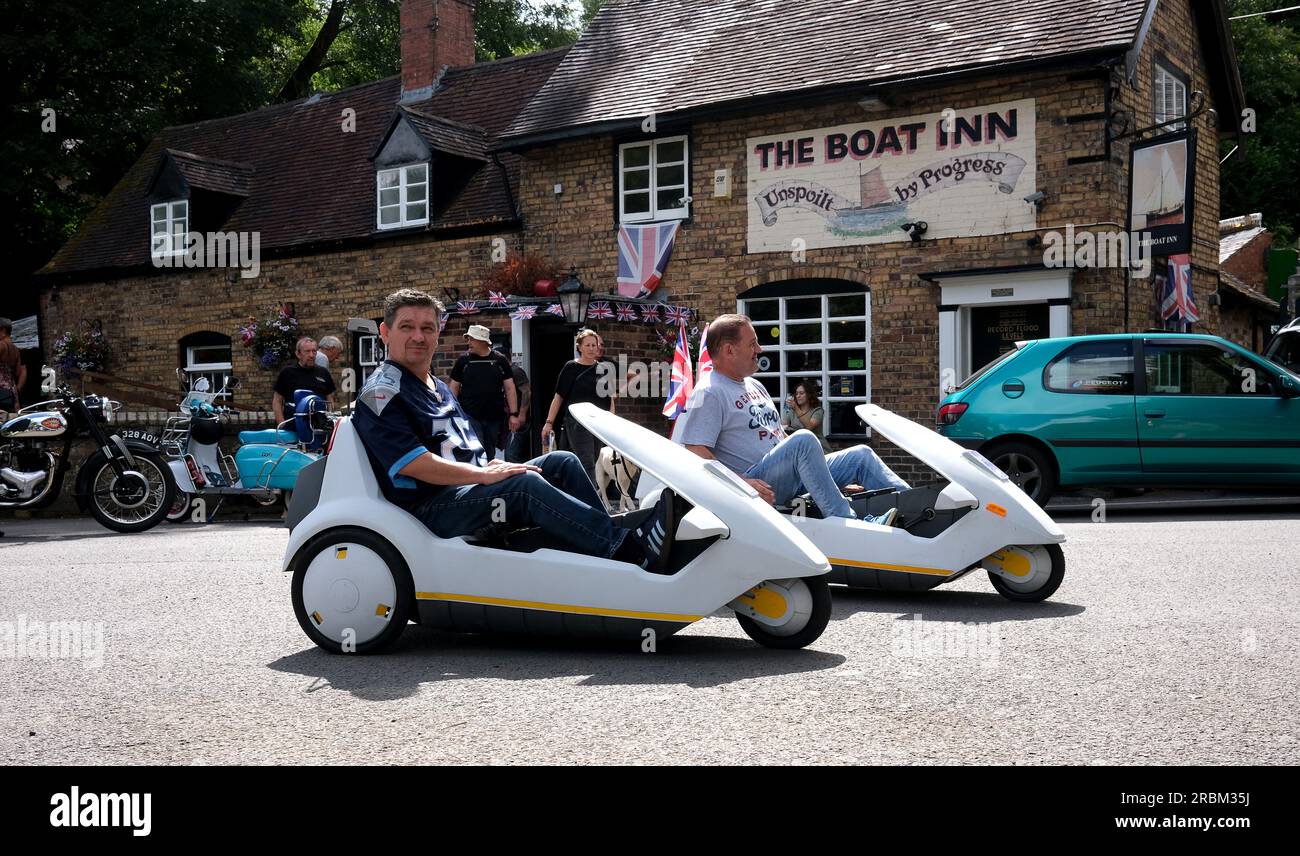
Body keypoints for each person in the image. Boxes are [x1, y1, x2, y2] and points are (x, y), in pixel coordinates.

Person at [352, 288, 684, 573]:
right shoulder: (382, 391)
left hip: (464, 488)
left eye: (427, 327)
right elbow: (412, 463)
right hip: (429, 508)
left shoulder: (435, 385)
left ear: (438, 333)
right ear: (385, 332)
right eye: (407, 327)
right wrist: (482, 475)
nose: (418, 336)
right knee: (523, 486)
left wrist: (486, 468)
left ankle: (607, 546)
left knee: (562, 461)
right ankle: (630, 552)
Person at [680, 314, 908, 521]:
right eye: (752, 343)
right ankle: (851, 522)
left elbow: (778, 438)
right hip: (756, 486)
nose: (759, 349)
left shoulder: (755, 385)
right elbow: (695, 451)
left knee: (861, 456)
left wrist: (826, 481)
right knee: (803, 440)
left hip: (787, 476)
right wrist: (740, 483)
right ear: (729, 350)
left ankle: (919, 509)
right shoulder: (710, 391)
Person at [541, 329, 615, 483]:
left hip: (599, 422)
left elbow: (610, 398)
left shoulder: (603, 369)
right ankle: (591, 496)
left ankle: (576, 491)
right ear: (579, 347)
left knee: (594, 458)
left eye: (594, 345)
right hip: (578, 421)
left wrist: (612, 421)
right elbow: (559, 396)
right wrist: (549, 422)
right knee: (587, 461)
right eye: (587, 345)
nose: (591, 348)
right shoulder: (571, 367)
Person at [449, 324, 519, 461]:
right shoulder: (463, 361)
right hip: (470, 415)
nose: (468, 342)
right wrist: (452, 412)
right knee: (477, 450)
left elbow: (510, 388)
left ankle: (488, 473)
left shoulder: (500, 360)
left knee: (490, 451)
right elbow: (453, 388)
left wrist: (513, 414)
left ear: (482, 341)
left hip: (494, 416)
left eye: (472, 339)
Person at [273, 337, 336, 424]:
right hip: (293, 425)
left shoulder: (323, 373)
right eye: (307, 351)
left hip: (319, 426)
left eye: (314, 351)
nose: (311, 355)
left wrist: (330, 420)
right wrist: (282, 423)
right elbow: (277, 400)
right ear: (298, 354)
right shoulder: (287, 372)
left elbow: (330, 399)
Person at [781, 380, 831, 454]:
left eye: (801, 393)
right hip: (799, 447)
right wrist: (786, 410)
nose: (798, 396)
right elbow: (784, 426)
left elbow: (809, 426)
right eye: (796, 394)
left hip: (817, 448)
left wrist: (796, 408)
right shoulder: (792, 411)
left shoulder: (817, 411)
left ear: (809, 395)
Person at [505, 359, 532, 463]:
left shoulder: (515, 371)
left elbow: (527, 392)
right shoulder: (506, 373)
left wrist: (522, 414)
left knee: (512, 454)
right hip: (510, 421)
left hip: (518, 421)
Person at [0, 317, 27, 414]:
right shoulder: (16, 349)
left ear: (3, 330)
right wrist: (17, 389)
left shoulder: (1, 345)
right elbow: (21, 371)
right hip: (10, 391)